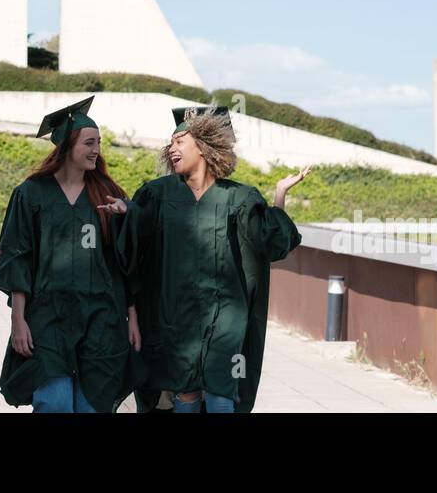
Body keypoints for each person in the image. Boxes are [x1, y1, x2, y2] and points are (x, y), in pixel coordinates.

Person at [121, 104, 309, 413]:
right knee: (185, 396)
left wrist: (278, 196)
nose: (172, 149)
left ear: (204, 146)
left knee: (222, 395)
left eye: (180, 141)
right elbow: (131, 250)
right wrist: (123, 215)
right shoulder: (156, 195)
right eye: (170, 143)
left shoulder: (239, 198)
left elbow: (272, 243)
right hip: (173, 322)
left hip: (225, 322)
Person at [0, 96, 142, 413]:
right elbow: (17, 256)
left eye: (99, 143)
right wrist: (18, 318)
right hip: (48, 316)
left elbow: (125, 264)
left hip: (101, 317)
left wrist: (127, 214)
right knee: (56, 403)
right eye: (89, 143)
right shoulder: (30, 194)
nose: (96, 151)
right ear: (67, 145)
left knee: (92, 406)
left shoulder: (108, 195)